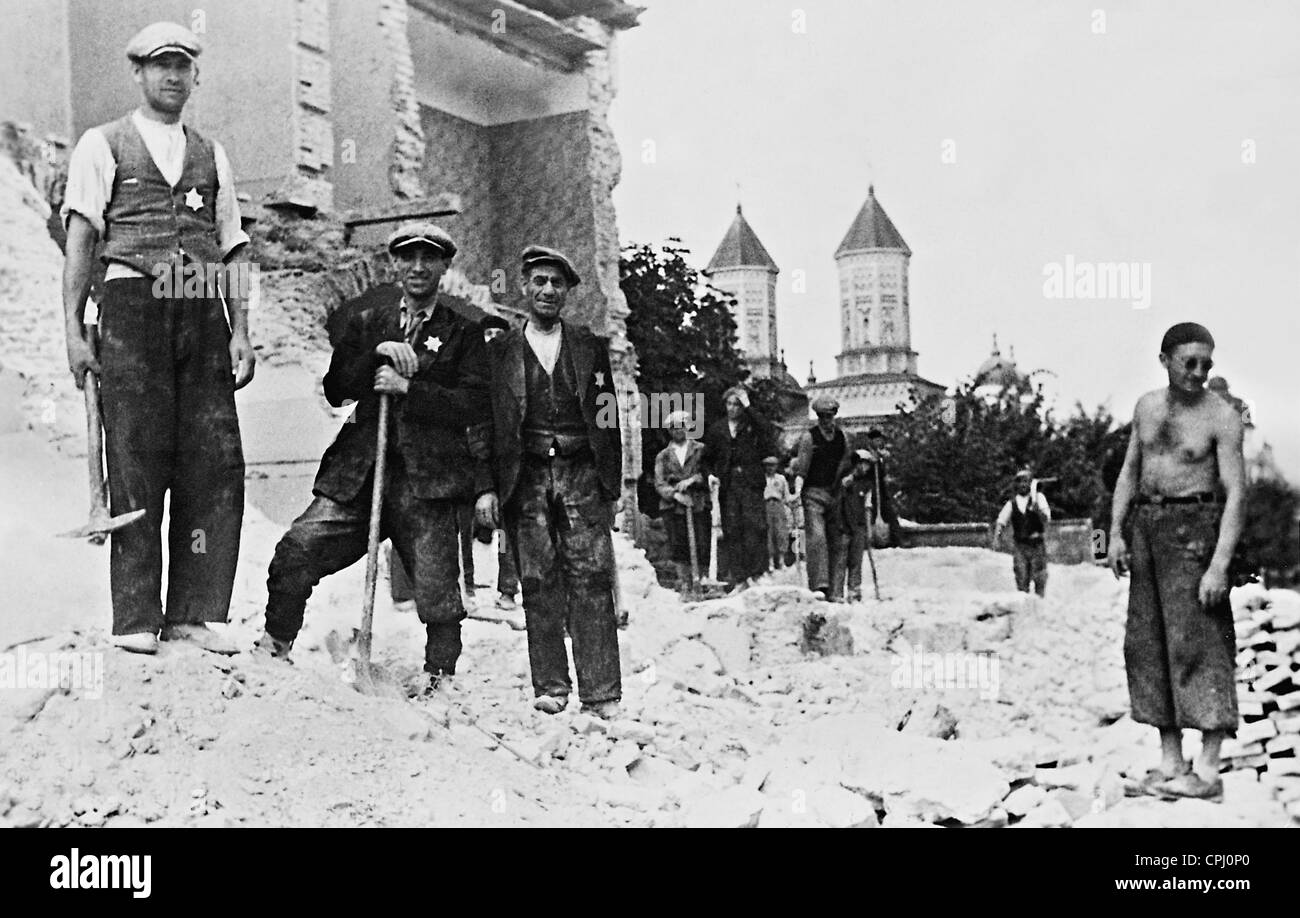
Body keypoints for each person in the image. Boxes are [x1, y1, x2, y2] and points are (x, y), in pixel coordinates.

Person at [61, 22, 254, 655]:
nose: (172, 76)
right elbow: (83, 242)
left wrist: (241, 332)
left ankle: (197, 611)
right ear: (138, 73)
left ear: (195, 76)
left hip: (200, 307)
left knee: (213, 460)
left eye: (183, 66)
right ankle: (138, 617)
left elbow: (231, 248)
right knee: (138, 456)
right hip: (132, 303)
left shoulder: (211, 153)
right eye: (159, 65)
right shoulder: (103, 143)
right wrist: (73, 331)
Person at [256, 223, 495, 693]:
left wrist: (412, 389)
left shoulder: (464, 335)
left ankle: (440, 677)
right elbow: (336, 388)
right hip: (359, 474)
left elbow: (474, 405)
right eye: (408, 258)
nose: (418, 267)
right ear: (395, 265)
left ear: (445, 266)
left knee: (437, 587)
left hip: (426, 482)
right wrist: (374, 359)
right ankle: (273, 644)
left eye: (430, 258)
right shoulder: (367, 324)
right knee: (298, 548)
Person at [480, 246, 623, 718]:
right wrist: (487, 485)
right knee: (538, 579)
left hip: (582, 475)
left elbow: (607, 414)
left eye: (556, 284)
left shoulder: (588, 346)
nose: (547, 290)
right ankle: (551, 685)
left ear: (567, 292)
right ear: (524, 286)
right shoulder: (500, 351)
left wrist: (611, 484)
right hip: (527, 476)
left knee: (591, 577)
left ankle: (600, 692)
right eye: (539, 281)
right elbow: (487, 423)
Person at [1108, 321, 1245, 802]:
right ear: (1164, 359)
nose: (1199, 372)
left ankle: (1207, 770)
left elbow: (1236, 495)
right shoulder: (1146, 407)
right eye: (1189, 362)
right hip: (1148, 532)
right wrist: (1116, 533)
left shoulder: (1221, 416)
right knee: (1147, 645)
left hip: (1196, 533)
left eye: (1206, 363)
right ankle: (1170, 763)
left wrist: (1219, 564)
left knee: (1201, 646)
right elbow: (1129, 471)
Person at [703, 387, 776, 590]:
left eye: (737, 404)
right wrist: (710, 475)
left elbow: (767, 430)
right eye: (730, 404)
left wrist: (749, 406)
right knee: (733, 529)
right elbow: (707, 458)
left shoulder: (751, 426)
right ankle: (740, 577)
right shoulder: (717, 429)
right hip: (729, 484)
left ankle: (758, 572)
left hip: (750, 482)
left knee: (756, 526)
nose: (733, 408)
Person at [790, 395, 852, 600]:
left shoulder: (843, 438)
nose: (827, 420)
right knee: (817, 538)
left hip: (835, 494)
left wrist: (847, 480)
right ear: (818, 417)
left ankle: (835, 590)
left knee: (838, 540)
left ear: (834, 416)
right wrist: (796, 493)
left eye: (830, 416)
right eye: (823, 417)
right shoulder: (809, 438)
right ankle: (819, 586)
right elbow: (802, 469)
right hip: (813, 494)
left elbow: (846, 464)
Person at [654, 410, 711, 591]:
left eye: (681, 426)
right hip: (674, 506)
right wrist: (674, 494)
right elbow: (659, 482)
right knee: (678, 543)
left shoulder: (700, 449)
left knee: (702, 541)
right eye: (673, 428)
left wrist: (693, 480)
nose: (678, 431)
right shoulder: (663, 456)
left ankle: (702, 580)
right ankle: (685, 581)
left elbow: (708, 472)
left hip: (698, 502)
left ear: (688, 427)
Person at [992, 469, 1052, 596]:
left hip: (1037, 544)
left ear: (1030, 483)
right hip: (1020, 545)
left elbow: (1046, 519)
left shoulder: (1039, 498)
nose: (1022, 485)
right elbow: (1001, 521)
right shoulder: (1012, 503)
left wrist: (1037, 511)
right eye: (1019, 482)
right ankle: (1024, 605)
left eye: (1025, 481)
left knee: (1039, 577)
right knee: (1021, 576)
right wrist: (996, 538)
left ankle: (1039, 605)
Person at [835, 449, 881, 601]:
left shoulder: (868, 485)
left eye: (867, 465)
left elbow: (868, 507)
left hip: (859, 526)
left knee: (856, 561)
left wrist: (868, 530)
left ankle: (854, 591)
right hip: (844, 526)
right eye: (863, 464)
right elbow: (838, 499)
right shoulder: (846, 481)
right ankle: (837, 593)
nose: (865, 468)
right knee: (841, 561)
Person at [762, 456, 792, 571]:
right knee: (768, 533)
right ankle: (770, 563)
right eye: (768, 465)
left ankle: (781, 561)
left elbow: (786, 495)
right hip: (766, 505)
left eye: (773, 465)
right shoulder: (762, 479)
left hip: (778, 504)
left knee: (781, 532)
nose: (770, 468)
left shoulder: (781, 479)